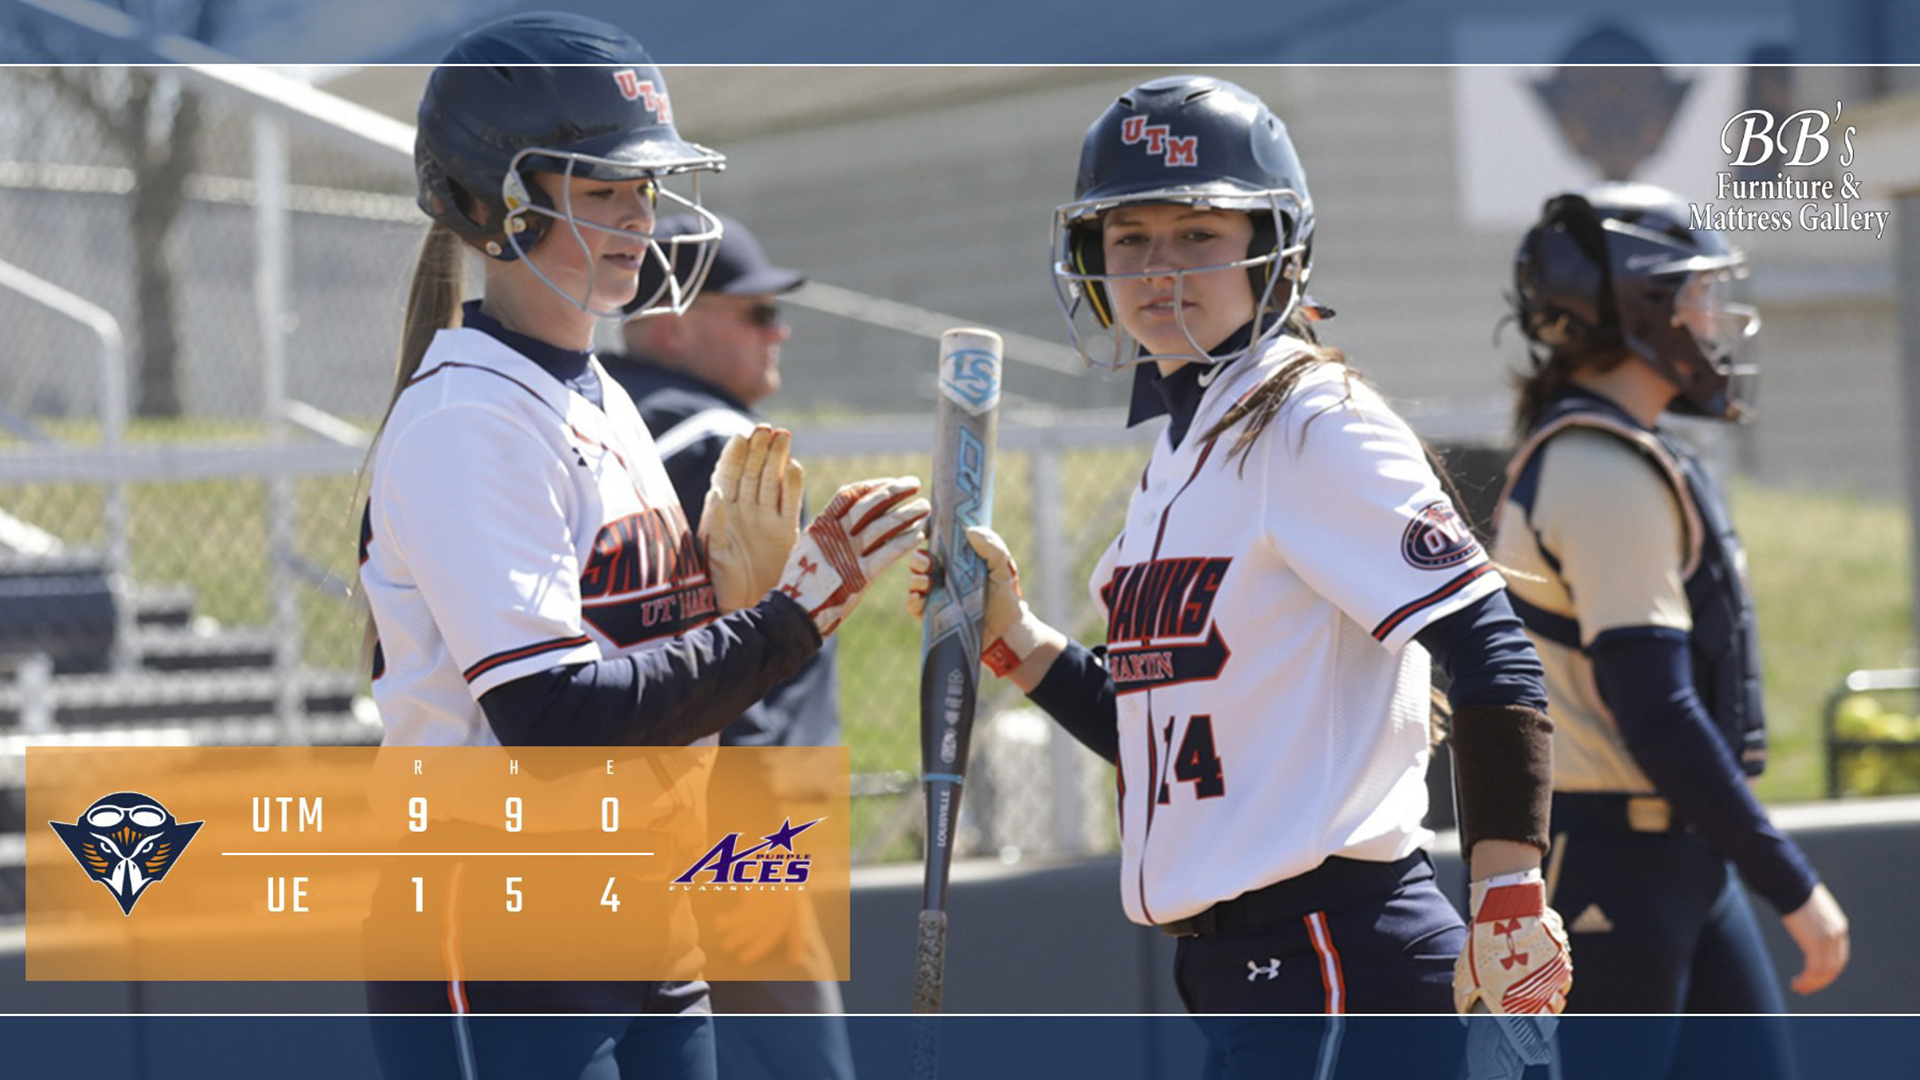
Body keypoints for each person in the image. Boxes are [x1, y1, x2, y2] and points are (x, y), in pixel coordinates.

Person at [908, 74, 1571, 1065]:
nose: (1157, 267)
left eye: (1198, 233)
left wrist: (1508, 895)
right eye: (1128, 237)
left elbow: (1493, 650)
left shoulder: (1312, 420)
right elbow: (1169, 742)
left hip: (1339, 961)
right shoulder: (1181, 448)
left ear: (1277, 249)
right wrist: (1017, 638)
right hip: (1250, 971)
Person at [355, 14, 926, 1079]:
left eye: (646, 187)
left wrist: (739, 601)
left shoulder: (600, 396)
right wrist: (784, 622)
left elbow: (650, 680)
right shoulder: (468, 417)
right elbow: (553, 718)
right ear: (490, 202)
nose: (639, 216)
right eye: (602, 186)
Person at [1496, 183, 1849, 1064]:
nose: (1714, 315)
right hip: (1611, 861)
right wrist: (1792, 884)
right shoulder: (1597, 465)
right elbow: (1655, 711)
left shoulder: (1632, 449)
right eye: (1697, 291)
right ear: (1640, 304)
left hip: (1678, 854)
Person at [605, 216, 855, 1080]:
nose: (777, 332)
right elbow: (736, 660)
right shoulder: (722, 447)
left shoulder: (585, 433)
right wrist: (755, 852)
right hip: (734, 849)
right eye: (755, 313)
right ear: (672, 324)